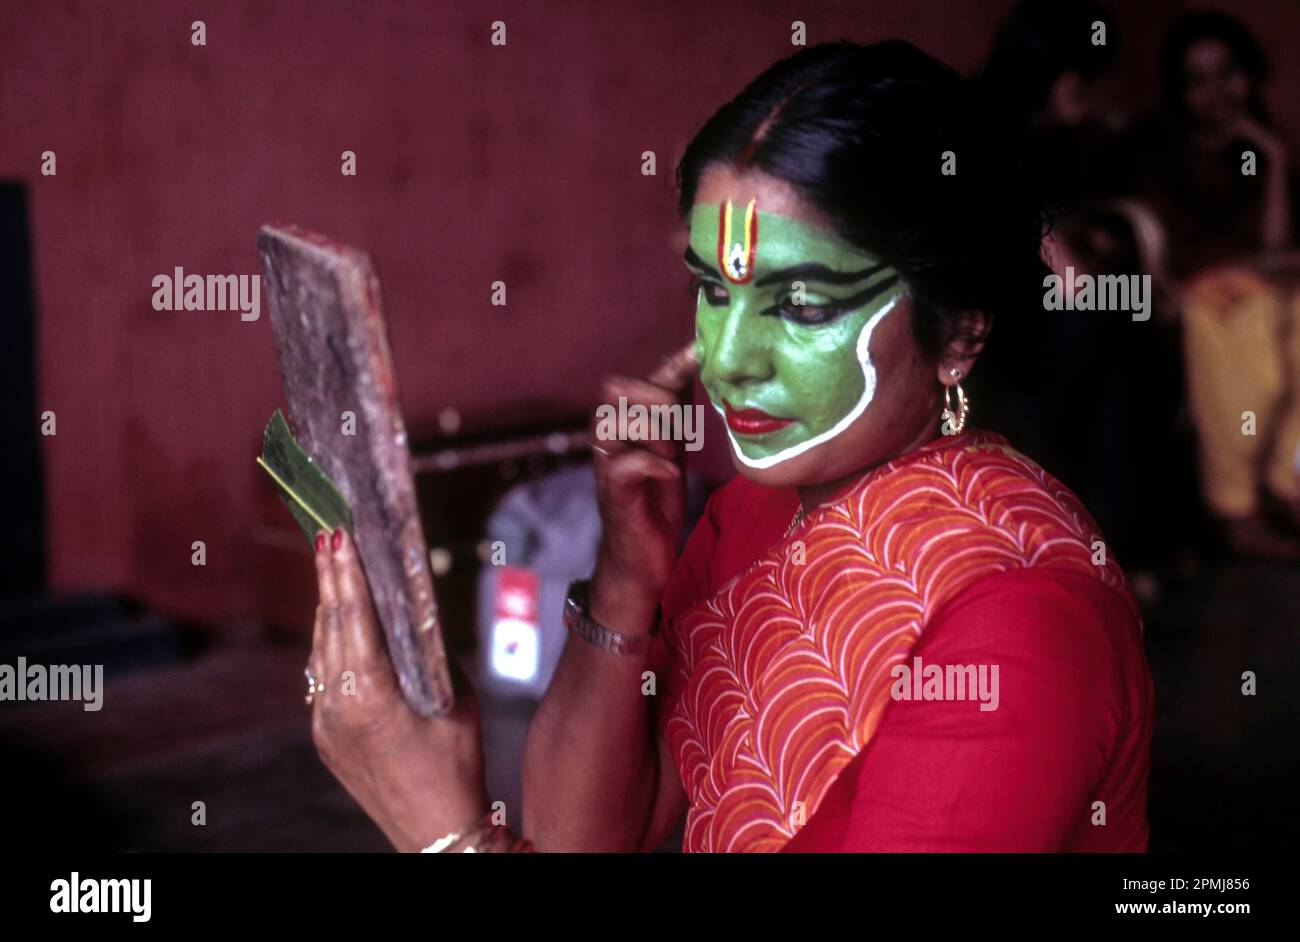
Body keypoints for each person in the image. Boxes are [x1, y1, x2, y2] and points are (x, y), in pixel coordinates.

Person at [305, 41, 1153, 853]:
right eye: (714, 289)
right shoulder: (753, 517)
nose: (729, 361)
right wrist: (625, 580)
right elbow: (583, 838)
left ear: (959, 334)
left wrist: (441, 836)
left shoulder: (1014, 624)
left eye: (804, 305)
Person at [1129, 10, 1300, 559]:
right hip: (1196, 289)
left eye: (1227, 73)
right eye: (1198, 80)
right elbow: (1173, 251)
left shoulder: (1261, 145)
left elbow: (1276, 247)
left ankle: (1288, 483)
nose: (1217, 92)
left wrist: (1270, 159)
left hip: (1266, 283)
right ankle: (1236, 504)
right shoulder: (1161, 148)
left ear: (1248, 75)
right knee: (1248, 327)